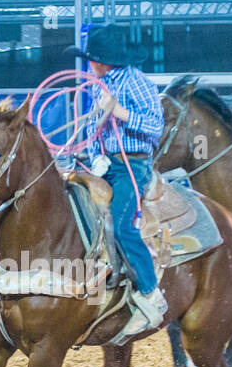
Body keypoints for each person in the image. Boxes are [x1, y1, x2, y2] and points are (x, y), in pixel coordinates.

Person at [64, 24, 167, 337]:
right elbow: (97, 128)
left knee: (124, 226)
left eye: (92, 59)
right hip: (109, 164)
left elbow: (156, 125)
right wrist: (95, 155)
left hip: (133, 166)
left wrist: (121, 113)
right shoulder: (100, 84)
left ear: (101, 60)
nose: (89, 64)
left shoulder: (135, 80)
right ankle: (109, 277)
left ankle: (151, 296)